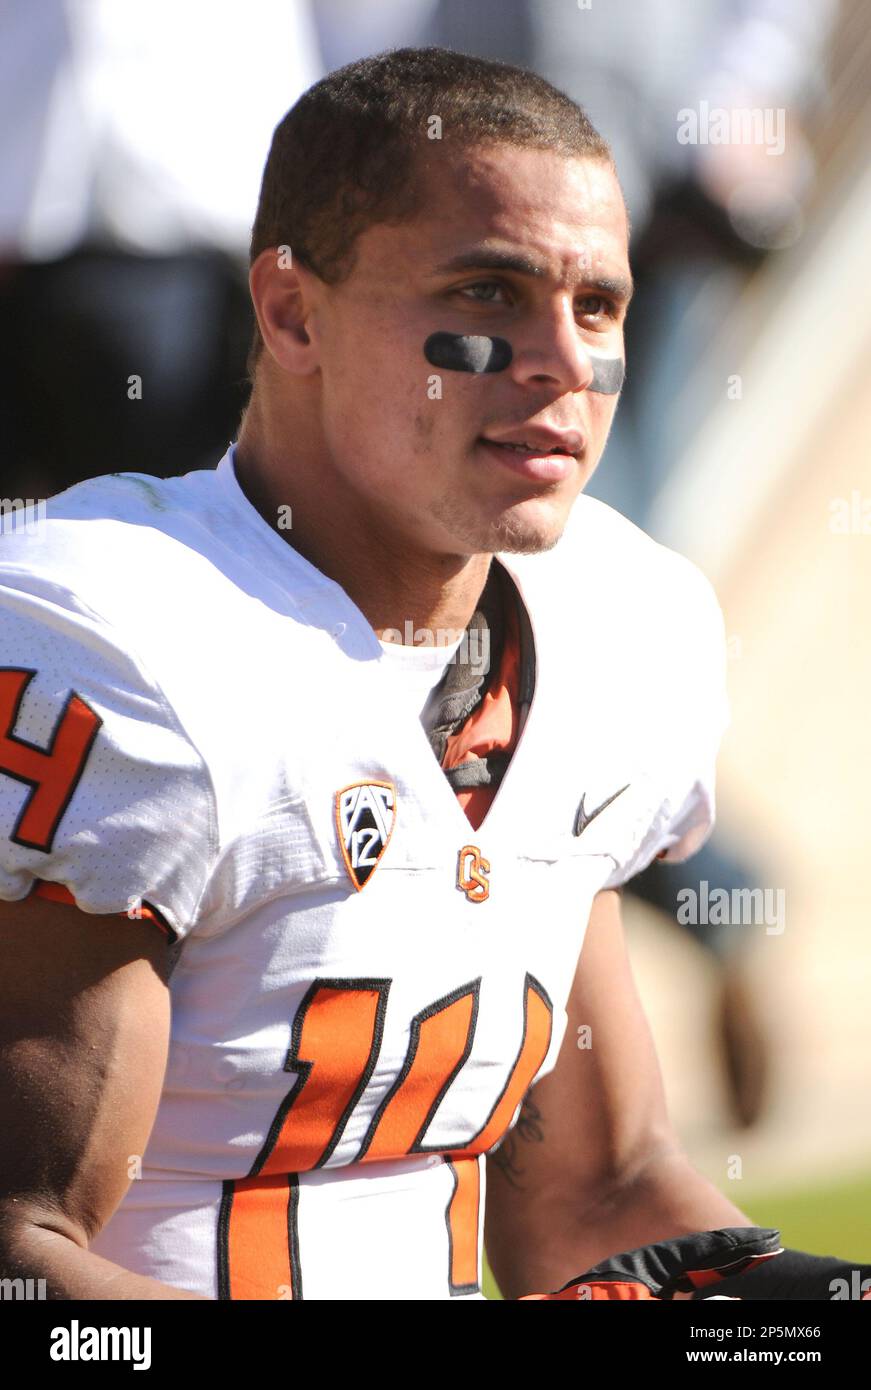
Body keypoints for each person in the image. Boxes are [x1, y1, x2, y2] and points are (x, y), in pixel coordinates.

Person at [0, 48, 859, 1302]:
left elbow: (600, 1198)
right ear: (293, 313)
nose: (562, 362)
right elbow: (23, 1268)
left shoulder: (621, 625)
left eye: (601, 307)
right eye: (490, 293)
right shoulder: (111, 635)